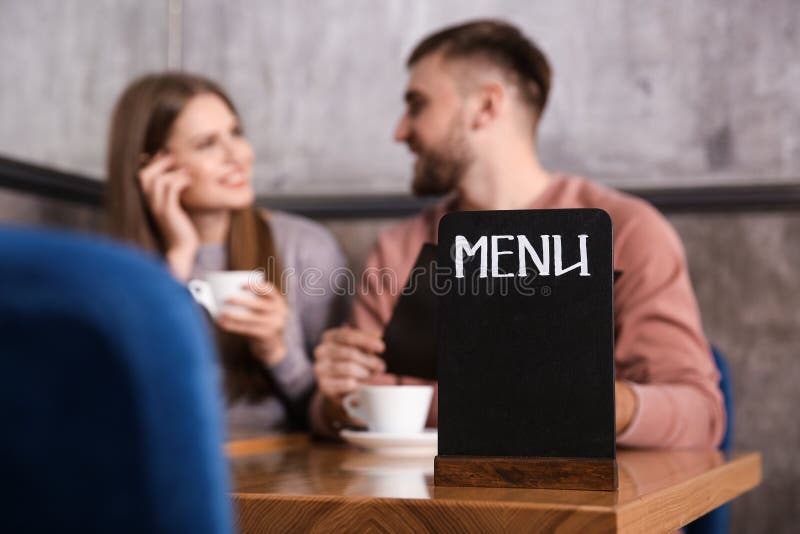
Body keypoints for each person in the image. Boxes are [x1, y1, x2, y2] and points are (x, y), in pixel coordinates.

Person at [311, 20, 725, 448]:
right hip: (435, 506)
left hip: (590, 507)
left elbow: (702, 416)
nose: (400, 131)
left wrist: (599, 403)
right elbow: (347, 409)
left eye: (417, 105)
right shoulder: (398, 249)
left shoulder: (628, 232)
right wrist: (335, 400)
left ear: (486, 107)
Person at [106, 72, 347, 433]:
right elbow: (126, 404)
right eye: (207, 144)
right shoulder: (118, 269)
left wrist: (278, 353)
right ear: (154, 167)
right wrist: (179, 259)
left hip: (278, 471)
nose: (238, 155)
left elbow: (336, 413)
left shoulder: (305, 248)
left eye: (235, 133)